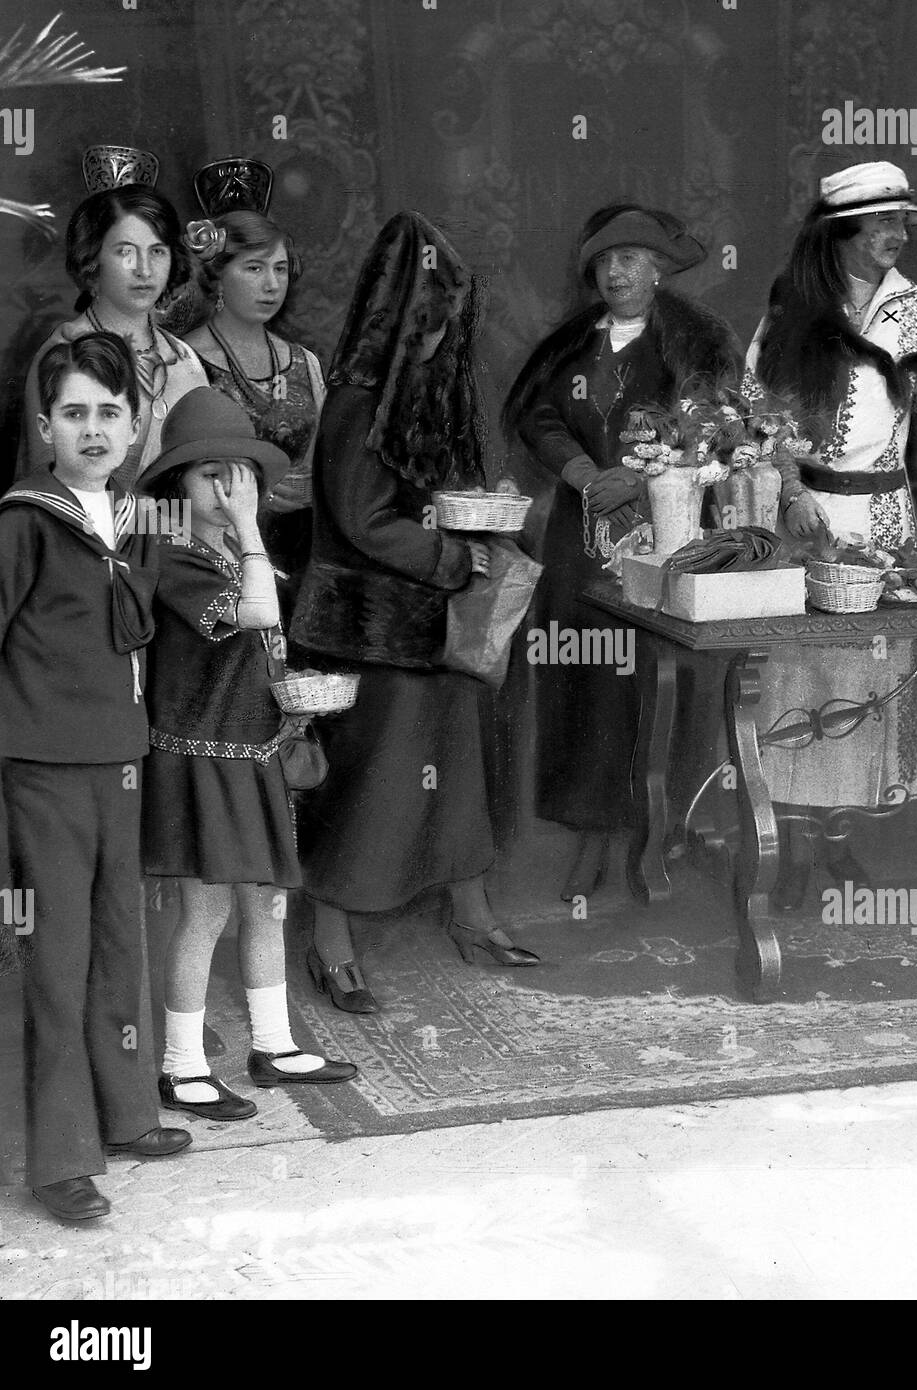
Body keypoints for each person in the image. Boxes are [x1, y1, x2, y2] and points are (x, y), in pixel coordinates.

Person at [292, 210, 538, 1016]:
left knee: (458, 773)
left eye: (446, 329)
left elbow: (426, 501)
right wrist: (452, 555)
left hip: (434, 628)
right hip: (369, 630)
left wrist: (483, 510)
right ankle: (332, 941)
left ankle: (471, 913)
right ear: (394, 322)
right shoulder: (360, 402)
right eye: (424, 327)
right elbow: (362, 522)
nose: (436, 344)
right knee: (368, 786)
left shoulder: (424, 400)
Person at [748, 162, 917, 908]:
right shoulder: (792, 308)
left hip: (885, 523)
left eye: (902, 222)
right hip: (801, 522)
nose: (896, 235)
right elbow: (758, 418)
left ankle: (840, 843)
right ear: (842, 232)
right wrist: (788, 491)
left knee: (866, 687)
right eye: (881, 222)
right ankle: (787, 852)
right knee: (794, 682)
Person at [0, 332, 191, 1222]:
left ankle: (124, 1112)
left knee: (123, 938)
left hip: (121, 759)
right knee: (57, 957)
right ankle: (60, 1158)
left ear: (135, 423)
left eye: (109, 413)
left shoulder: (137, 518)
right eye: (73, 413)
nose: (92, 429)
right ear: (45, 426)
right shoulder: (24, 522)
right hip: (43, 772)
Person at [502, 203, 741, 900]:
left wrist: (638, 476)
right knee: (582, 681)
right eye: (606, 261)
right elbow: (538, 418)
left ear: (659, 268)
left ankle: (657, 833)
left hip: (664, 537)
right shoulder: (574, 345)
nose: (617, 271)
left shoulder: (695, 343)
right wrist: (583, 475)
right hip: (579, 542)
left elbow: (717, 426)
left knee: (650, 685)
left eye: (631, 258)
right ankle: (591, 836)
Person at [134, 388, 357, 1115]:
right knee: (205, 914)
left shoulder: (230, 549)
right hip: (203, 758)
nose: (232, 491)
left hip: (253, 752)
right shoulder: (176, 557)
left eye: (244, 476)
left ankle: (273, 1044)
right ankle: (181, 1063)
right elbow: (256, 612)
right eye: (210, 476)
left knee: (267, 906)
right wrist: (252, 532)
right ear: (176, 487)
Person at [182, 160, 324, 617]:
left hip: (305, 557)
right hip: (220, 562)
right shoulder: (185, 363)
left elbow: (324, 462)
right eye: (254, 268)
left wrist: (311, 490)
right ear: (218, 276)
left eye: (280, 269)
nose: (271, 285)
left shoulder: (306, 363)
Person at [20, 152, 206, 484]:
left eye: (157, 251)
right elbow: (52, 495)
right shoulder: (64, 352)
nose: (144, 270)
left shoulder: (184, 358)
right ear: (92, 259)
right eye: (125, 251)